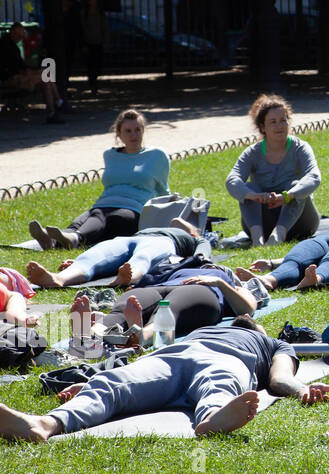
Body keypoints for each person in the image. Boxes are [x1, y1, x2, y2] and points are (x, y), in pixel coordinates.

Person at [0, 316, 329, 442]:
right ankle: (42, 425)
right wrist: (93, 380)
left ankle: (212, 420)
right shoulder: (203, 328)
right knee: (112, 384)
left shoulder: (273, 342)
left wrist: (302, 389)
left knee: (219, 386)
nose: (245, 319)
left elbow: (278, 378)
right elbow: (138, 360)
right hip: (170, 357)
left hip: (225, 360)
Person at [27, 109, 170, 251]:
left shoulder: (156, 156)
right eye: (128, 131)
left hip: (133, 210)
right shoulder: (110, 155)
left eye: (137, 130)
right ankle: (53, 241)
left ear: (143, 131)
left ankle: (75, 239)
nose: (134, 135)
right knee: (83, 220)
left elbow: (163, 190)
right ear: (118, 134)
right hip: (103, 204)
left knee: (103, 217)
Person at [68, 262, 259, 349]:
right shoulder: (178, 268)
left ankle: (141, 336)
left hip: (202, 292)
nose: (209, 266)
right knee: (126, 304)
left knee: (169, 310)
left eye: (214, 266)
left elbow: (247, 309)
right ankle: (90, 333)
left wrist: (219, 282)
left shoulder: (226, 280)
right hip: (161, 286)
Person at [225, 94, 322, 246]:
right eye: (273, 122)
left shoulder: (300, 148)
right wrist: (254, 196)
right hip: (264, 223)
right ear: (263, 127)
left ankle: (279, 234)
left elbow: (314, 177)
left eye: (283, 121)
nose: (280, 126)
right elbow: (232, 180)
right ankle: (258, 238)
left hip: (301, 224)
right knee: (248, 187)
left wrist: (287, 196)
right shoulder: (252, 152)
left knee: (295, 184)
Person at [25, 219, 204, 290]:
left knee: (143, 257)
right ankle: (58, 278)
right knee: (92, 257)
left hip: (162, 243)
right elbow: (175, 220)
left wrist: (195, 236)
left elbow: (203, 257)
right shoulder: (162, 226)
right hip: (129, 239)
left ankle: (128, 278)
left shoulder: (196, 239)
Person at [1, 23, 62, 122]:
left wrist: (29, 71)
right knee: (45, 78)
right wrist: (27, 71)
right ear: (12, 33)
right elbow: (13, 67)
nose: (20, 38)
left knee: (46, 79)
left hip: (20, 75)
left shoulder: (13, 46)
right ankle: (58, 103)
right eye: (18, 35)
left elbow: (20, 64)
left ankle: (53, 111)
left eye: (22, 36)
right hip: (12, 78)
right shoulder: (5, 46)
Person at [81, 0, 108, 96]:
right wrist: (83, 44)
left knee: (98, 64)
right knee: (90, 65)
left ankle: (94, 82)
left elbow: (104, 27)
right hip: (88, 43)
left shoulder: (100, 13)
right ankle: (92, 84)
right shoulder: (84, 13)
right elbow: (82, 29)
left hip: (98, 42)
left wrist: (105, 39)